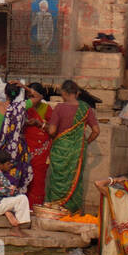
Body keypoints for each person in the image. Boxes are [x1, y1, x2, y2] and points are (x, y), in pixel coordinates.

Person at [45, 80, 100, 212]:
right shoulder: (86, 109)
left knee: (56, 178)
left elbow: (52, 131)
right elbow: (96, 131)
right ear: (76, 93)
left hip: (59, 150)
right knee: (74, 179)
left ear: (64, 92)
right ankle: (71, 210)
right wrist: (85, 142)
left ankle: (55, 209)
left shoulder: (59, 108)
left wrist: (43, 126)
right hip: (77, 152)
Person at [0, 80, 32, 191]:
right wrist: (24, 87)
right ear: (18, 93)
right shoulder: (21, 107)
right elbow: (39, 96)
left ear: (5, 92)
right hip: (16, 150)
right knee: (14, 179)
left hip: (0, 150)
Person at [23, 82, 53, 207]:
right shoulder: (24, 107)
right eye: (29, 96)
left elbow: (52, 130)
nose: (31, 99)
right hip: (25, 148)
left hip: (41, 150)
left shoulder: (47, 109)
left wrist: (39, 123)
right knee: (24, 180)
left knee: (38, 180)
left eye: (33, 96)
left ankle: (35, 207)